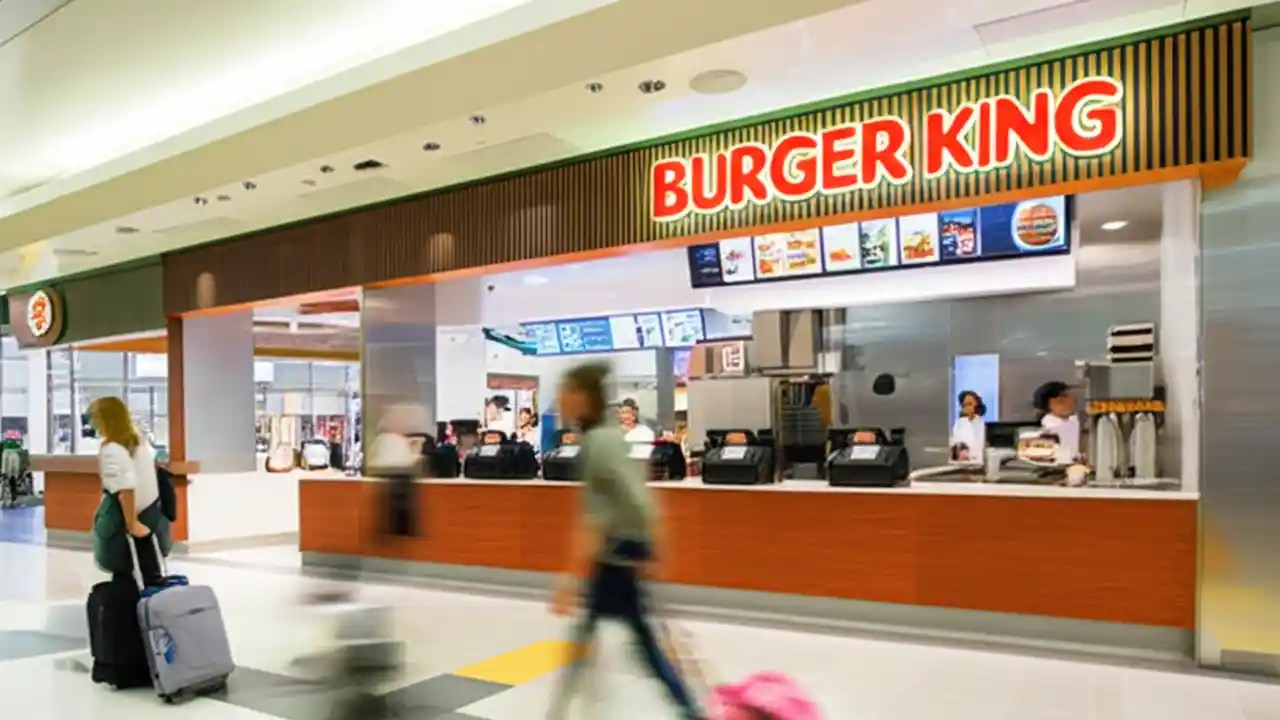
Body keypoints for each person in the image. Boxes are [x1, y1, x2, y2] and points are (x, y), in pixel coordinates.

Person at [548, 363, 703, 720]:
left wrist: (571, 579)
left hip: (616, 554)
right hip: (622, 550)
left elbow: (605, 513)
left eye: (566, 392)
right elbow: (630, 501)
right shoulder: (603, 437)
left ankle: (690, 711)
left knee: (636, 642)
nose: (560, 400)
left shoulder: (599, 441)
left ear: (583, 398)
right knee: (622, 637)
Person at [89, 397, 169, 586]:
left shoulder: (112, 449)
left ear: (105, 419)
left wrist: (132, 523)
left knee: (126, 574)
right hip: (151, 514)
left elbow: (126, 487)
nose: (92, 422)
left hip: (126, 519)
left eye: (94, 417)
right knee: (146, 574)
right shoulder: (138, 444)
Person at [1033, 381, 1081, 465]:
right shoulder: (1052, 428)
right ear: (1050, 404)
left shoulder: (1075, 421)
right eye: (1063, 398)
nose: (1072, 401)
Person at [950, 390, 987, 463]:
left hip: (980, 464)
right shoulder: (959, 424)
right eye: (965, 405)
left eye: (970, 404)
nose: (967, 407)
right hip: (963, 464)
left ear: (976, 405)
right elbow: (954, 444)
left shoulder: (982, 424)